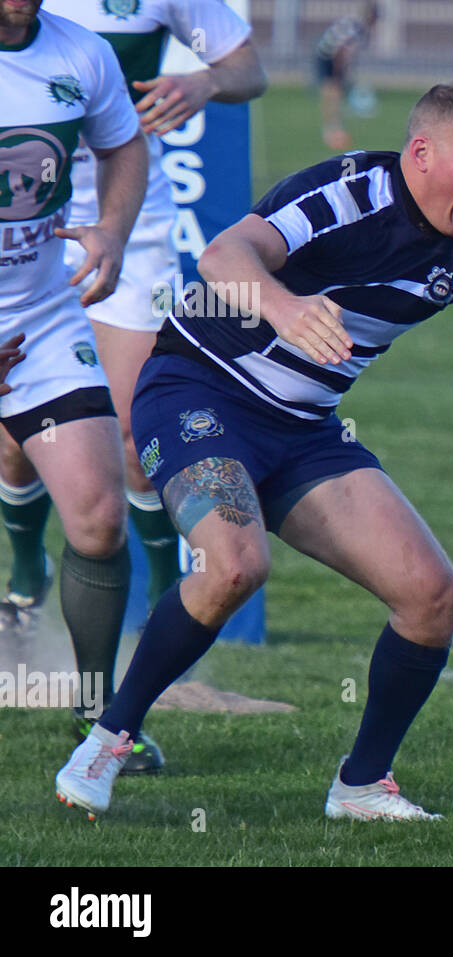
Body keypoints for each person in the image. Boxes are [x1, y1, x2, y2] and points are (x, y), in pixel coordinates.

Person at [54, 82, 453, 823]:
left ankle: (362, 783)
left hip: (303, 426)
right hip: (198, 393)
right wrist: (286, 305)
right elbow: (222, 255)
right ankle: (110, 734)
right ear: (421, 153)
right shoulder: (348, 194)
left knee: (433, 597)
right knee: (235, 563)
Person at [15, 0, 268, 775]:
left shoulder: (80, 51)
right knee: (16, 455)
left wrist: (203, 85)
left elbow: (243, 70)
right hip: (25, 260)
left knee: (123, 452)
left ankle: (112, 697)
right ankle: (26, 571)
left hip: (104, 242)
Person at [0, 0, 148, 746]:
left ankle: (98, 714)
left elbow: (122, 146)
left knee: (97, 514)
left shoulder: (81, 53)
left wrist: (113, 231)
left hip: (41, 322)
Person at [316, 0, 379, 151]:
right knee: (332, 91)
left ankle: (334, 125)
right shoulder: (357, 28)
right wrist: (339, 72)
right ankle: (332, 127)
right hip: (328, 57)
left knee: (334, 92)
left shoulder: (357, 26)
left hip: (330, 56)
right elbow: (341, 51)